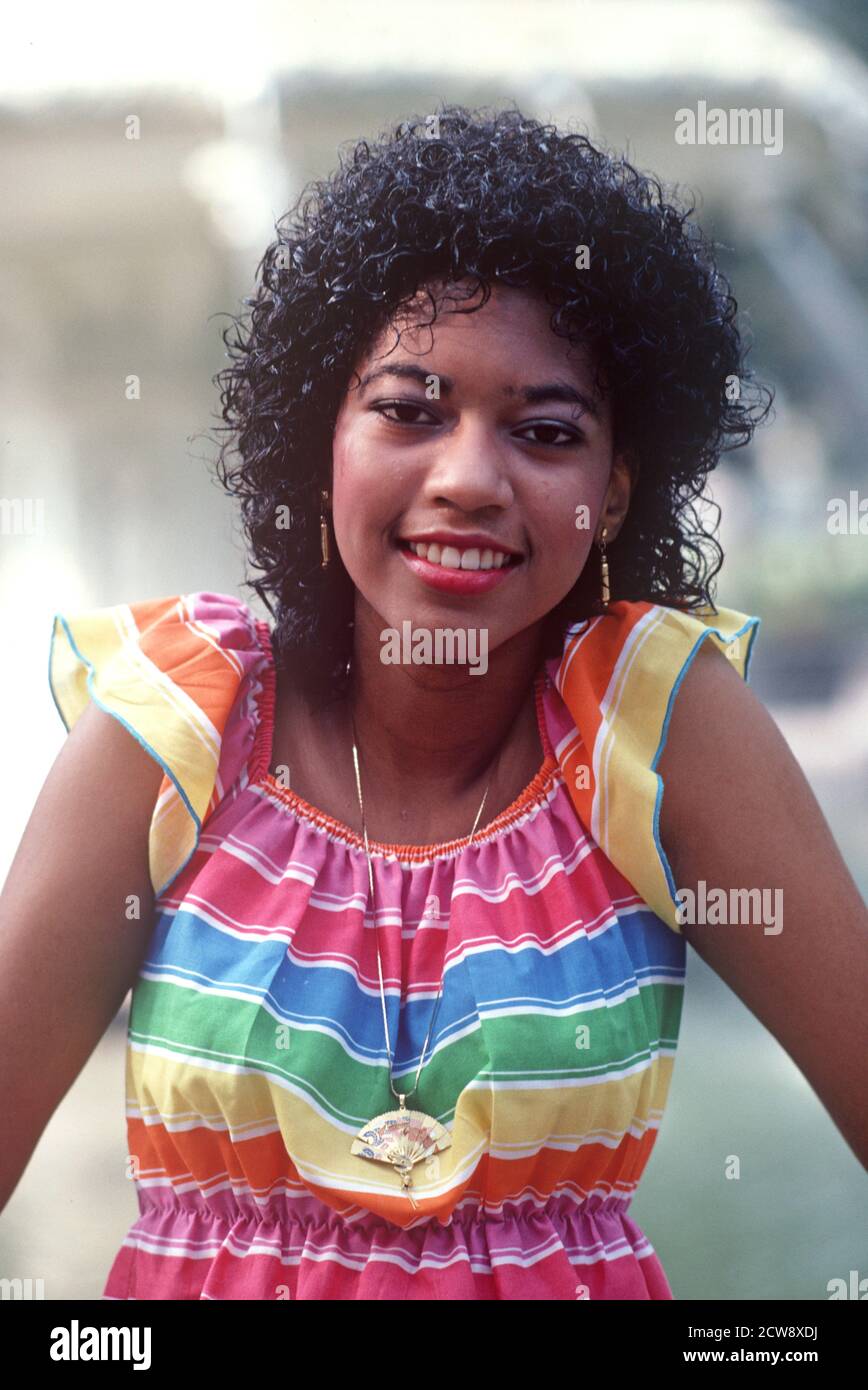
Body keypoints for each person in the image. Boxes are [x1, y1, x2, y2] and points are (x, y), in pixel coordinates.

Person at [1, 103, 866, 1301]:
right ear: (324, 443)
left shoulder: (653, 727)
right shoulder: (175, 727)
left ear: (612, 495)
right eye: (409, 410)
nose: (466, 478)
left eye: (543, 431)